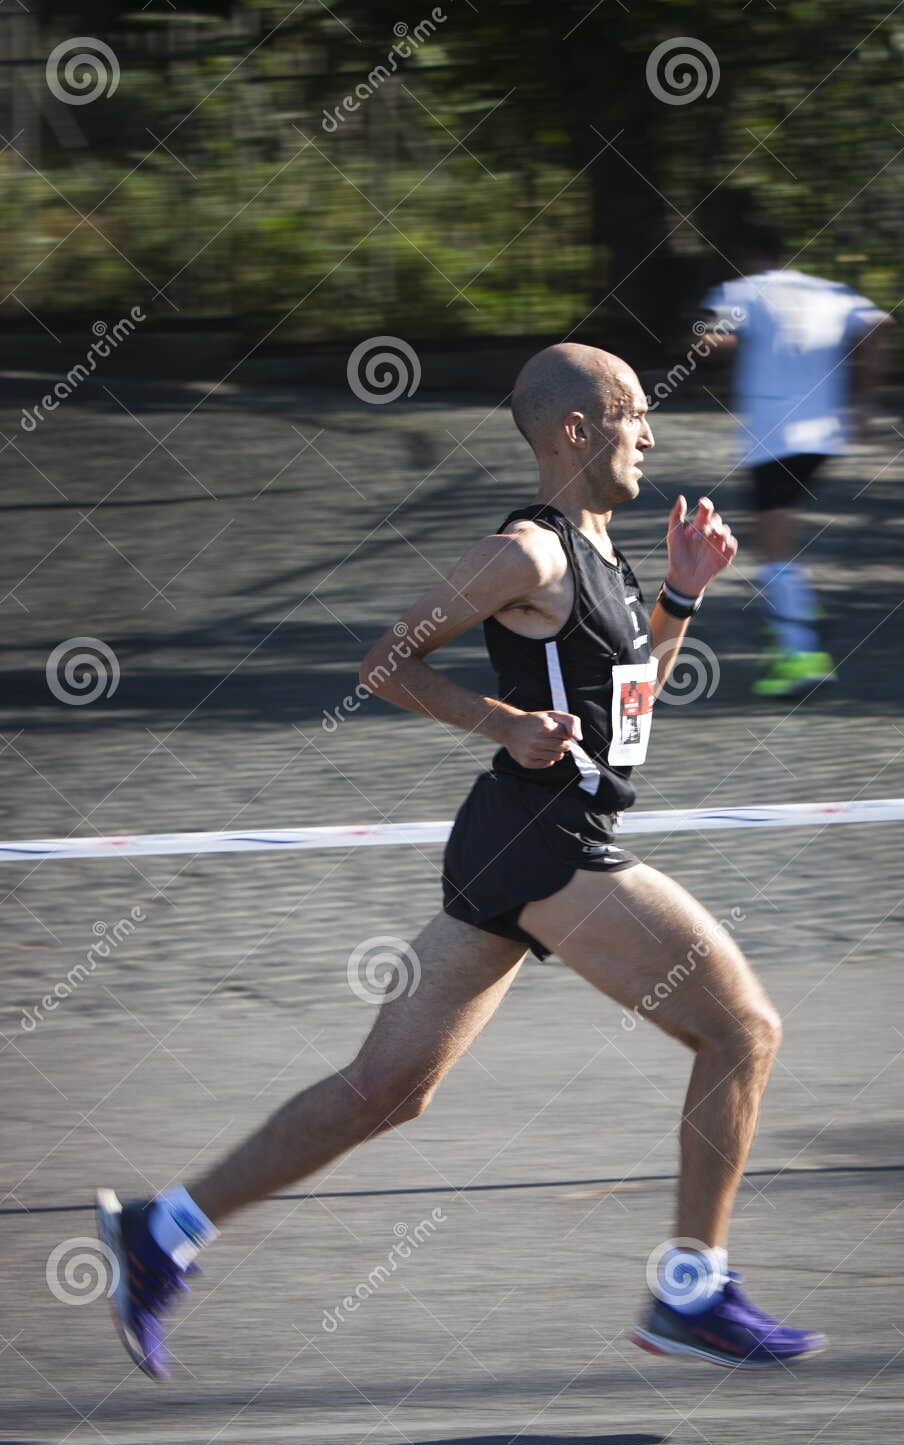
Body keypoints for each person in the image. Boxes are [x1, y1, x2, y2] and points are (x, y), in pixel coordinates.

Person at [95, 342, 826, 1380]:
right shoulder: (527, 554)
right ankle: (691, 1290)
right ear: (575, 430)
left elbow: (626, 715)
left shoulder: (601, 554)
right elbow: (385, 661)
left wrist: (680, 598)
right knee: (741, 1029)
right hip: (545, 842)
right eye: (629, 414)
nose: (649, 434)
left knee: (384, 1091)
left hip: (515, 840)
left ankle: (159, 1230)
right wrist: (499, 719)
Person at [700, 222, 893, 698]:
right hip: (825, 435)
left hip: (773, 437)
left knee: (775, 547)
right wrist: (865, 398)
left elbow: (710, 335)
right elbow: (879, 326)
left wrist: (705, 338)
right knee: (783, 534)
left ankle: (799, 652)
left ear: (749, 258)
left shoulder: (743, 290)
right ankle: (799, 608)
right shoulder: (828, 291)